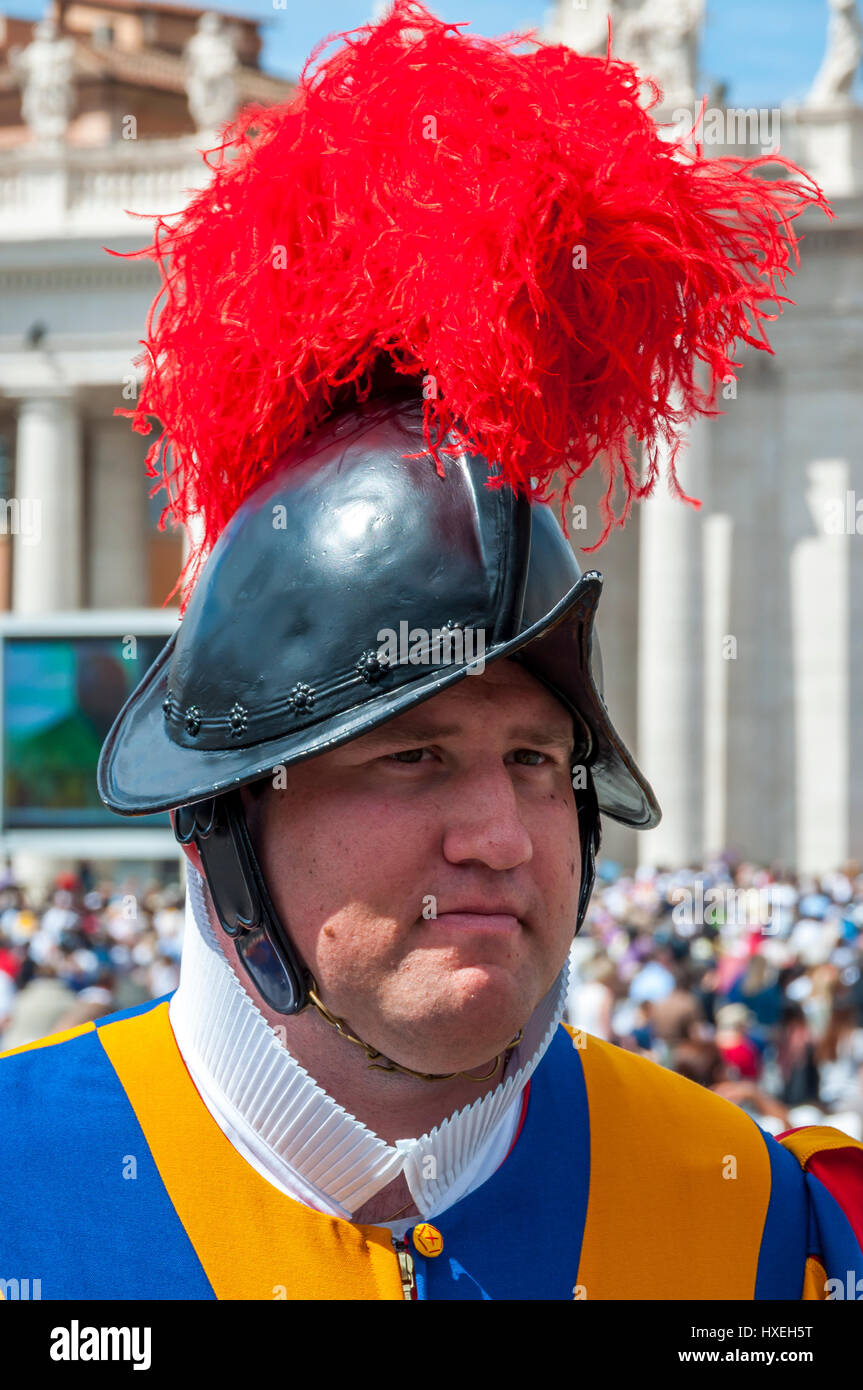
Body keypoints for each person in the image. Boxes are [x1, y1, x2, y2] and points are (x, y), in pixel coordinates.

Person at [1, 1, 861, 1301]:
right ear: (223, 814)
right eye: (410, 754)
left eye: (533, 755)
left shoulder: (759, 1225)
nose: (501, 834)